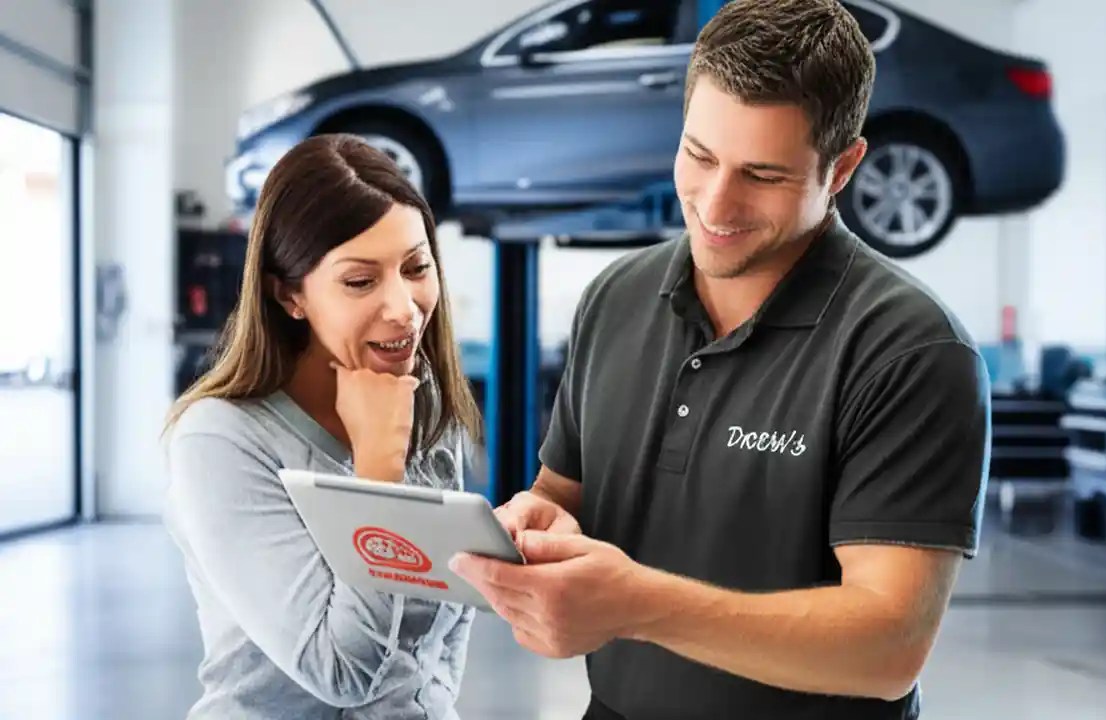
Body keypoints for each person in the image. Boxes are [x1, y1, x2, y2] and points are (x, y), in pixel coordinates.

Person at [449, 1, 991, 719]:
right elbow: (562, 493)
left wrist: (637, 604)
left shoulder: (910, 351)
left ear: (843, 167)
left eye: (762, 175)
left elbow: (888, 648)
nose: (715, 202)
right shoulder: (615, 299)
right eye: (699, 155)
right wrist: (533, 520)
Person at [163, 134, 484, 718]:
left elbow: (440, 636)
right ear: (290, 295)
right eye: (361, 281)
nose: (405, 307)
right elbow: (342, 670)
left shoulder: (422, 401)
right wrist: (378, 475)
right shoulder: (221, 439)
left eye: (416, 267)